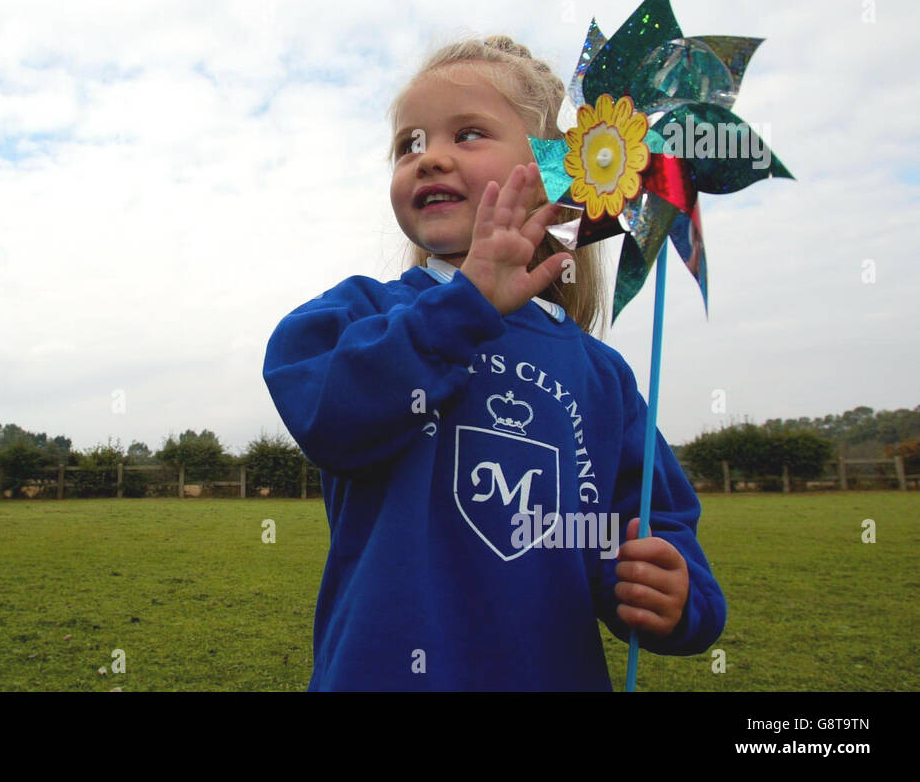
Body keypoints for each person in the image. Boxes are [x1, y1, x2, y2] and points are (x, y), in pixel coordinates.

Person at [262, 36, 726, 691]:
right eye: (408, 145)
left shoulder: (602, 378)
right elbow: (327, 413)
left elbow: (650, 527)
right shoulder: (358, 315)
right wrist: (465, 306)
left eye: (470, 133)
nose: (430, 159)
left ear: (557, 172)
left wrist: (675, 593)